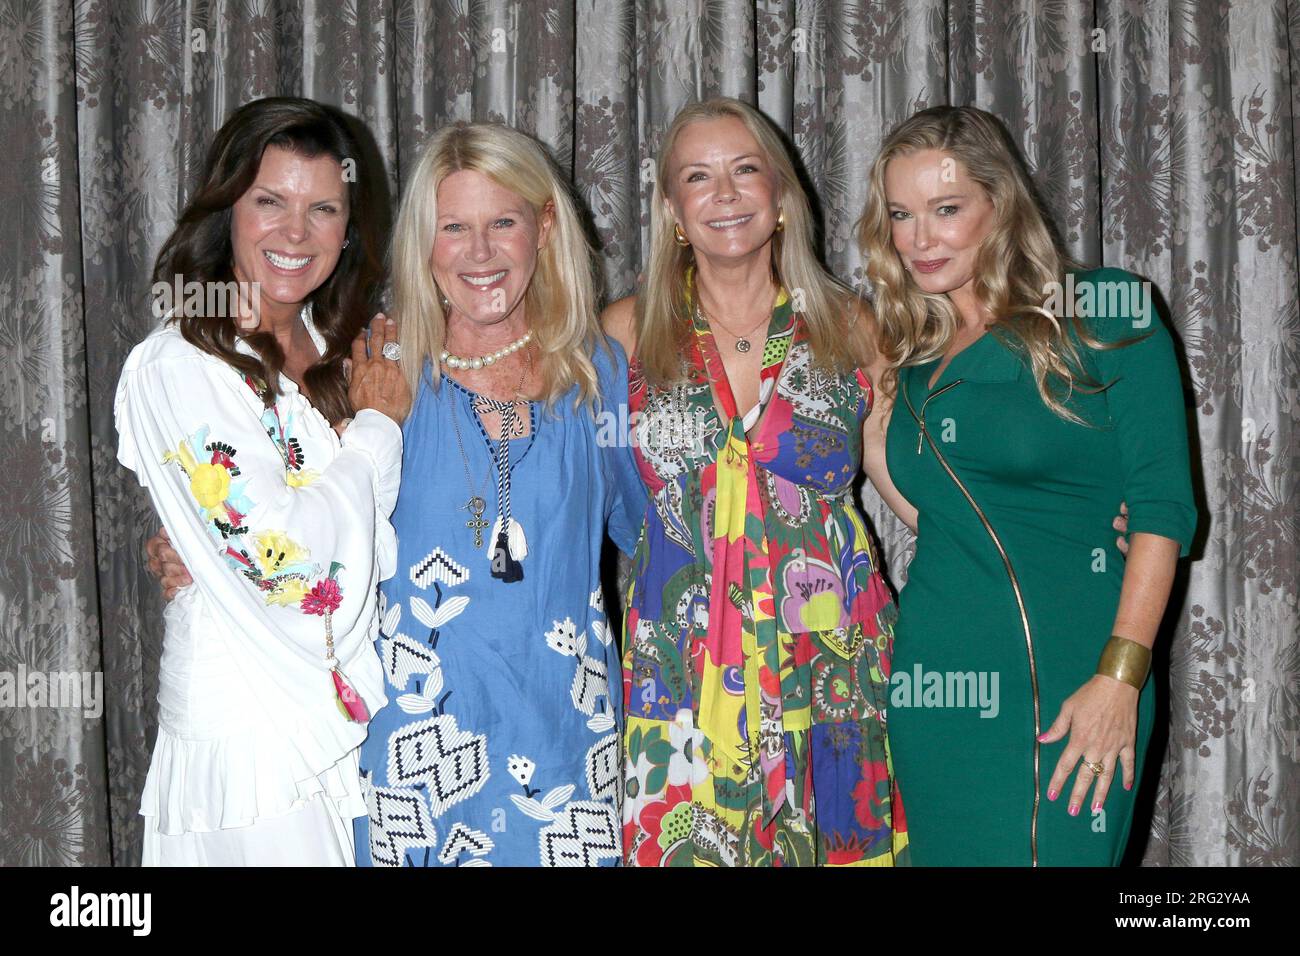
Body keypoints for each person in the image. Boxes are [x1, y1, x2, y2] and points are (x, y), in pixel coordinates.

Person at [857, 105, 1198, 866]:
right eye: (902, 215)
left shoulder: (1105, 310)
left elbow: (1164, 511)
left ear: (999, 204)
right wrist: (880, 457)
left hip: (1073, 678)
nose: (920, 239)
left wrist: (1121, 675)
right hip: (935, 686)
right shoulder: (912, 362)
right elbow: (958, 522)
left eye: (946, 210)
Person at [603, 97, 908, 866]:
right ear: (673, 210)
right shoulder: (624, 334)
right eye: (698, 178)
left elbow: (912, 488)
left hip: (833, 663)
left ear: (780, 194)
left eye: (745, 170)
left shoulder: (851, 325)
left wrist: (1055, 536)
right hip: (680, 674)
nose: (726, 194)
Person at [116, 97, 410, 865]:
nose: (296, 233)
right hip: (249, 757)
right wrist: (376, 432)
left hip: (349, 735)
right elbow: (293, 568)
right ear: (227, 212)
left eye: (323, 209)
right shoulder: (179, 365)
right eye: (269, 202)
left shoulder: (351, 353)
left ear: (349, 229)